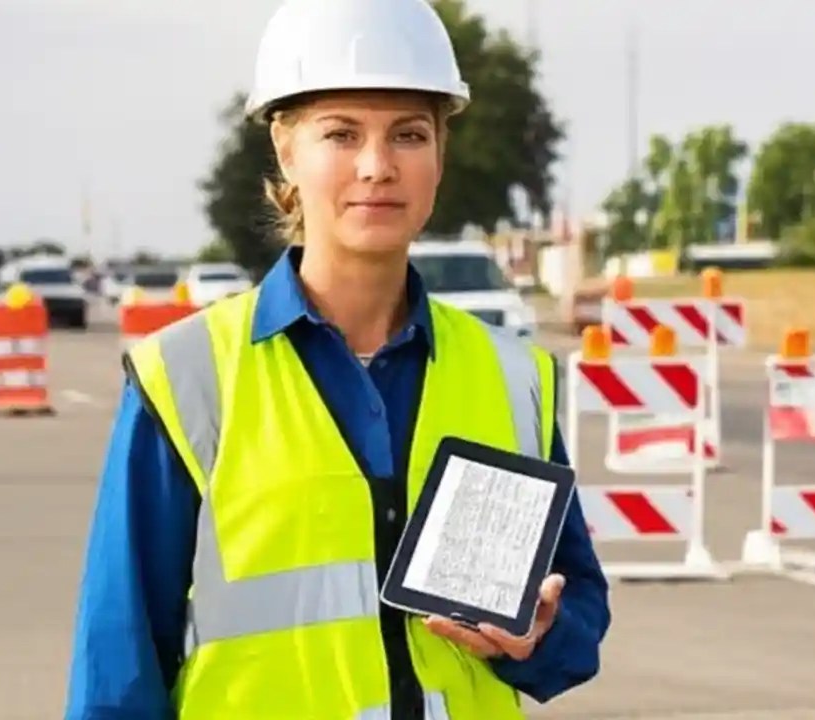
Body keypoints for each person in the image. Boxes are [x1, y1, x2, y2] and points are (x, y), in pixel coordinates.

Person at [65, 0, 611, 717]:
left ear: (440, 153)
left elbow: (575, 621)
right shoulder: (188, 377)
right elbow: (117, 665)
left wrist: (538, 635)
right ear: (286, 150)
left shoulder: (512, 374)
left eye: (409, 134)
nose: (377, 166)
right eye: (341, 133)